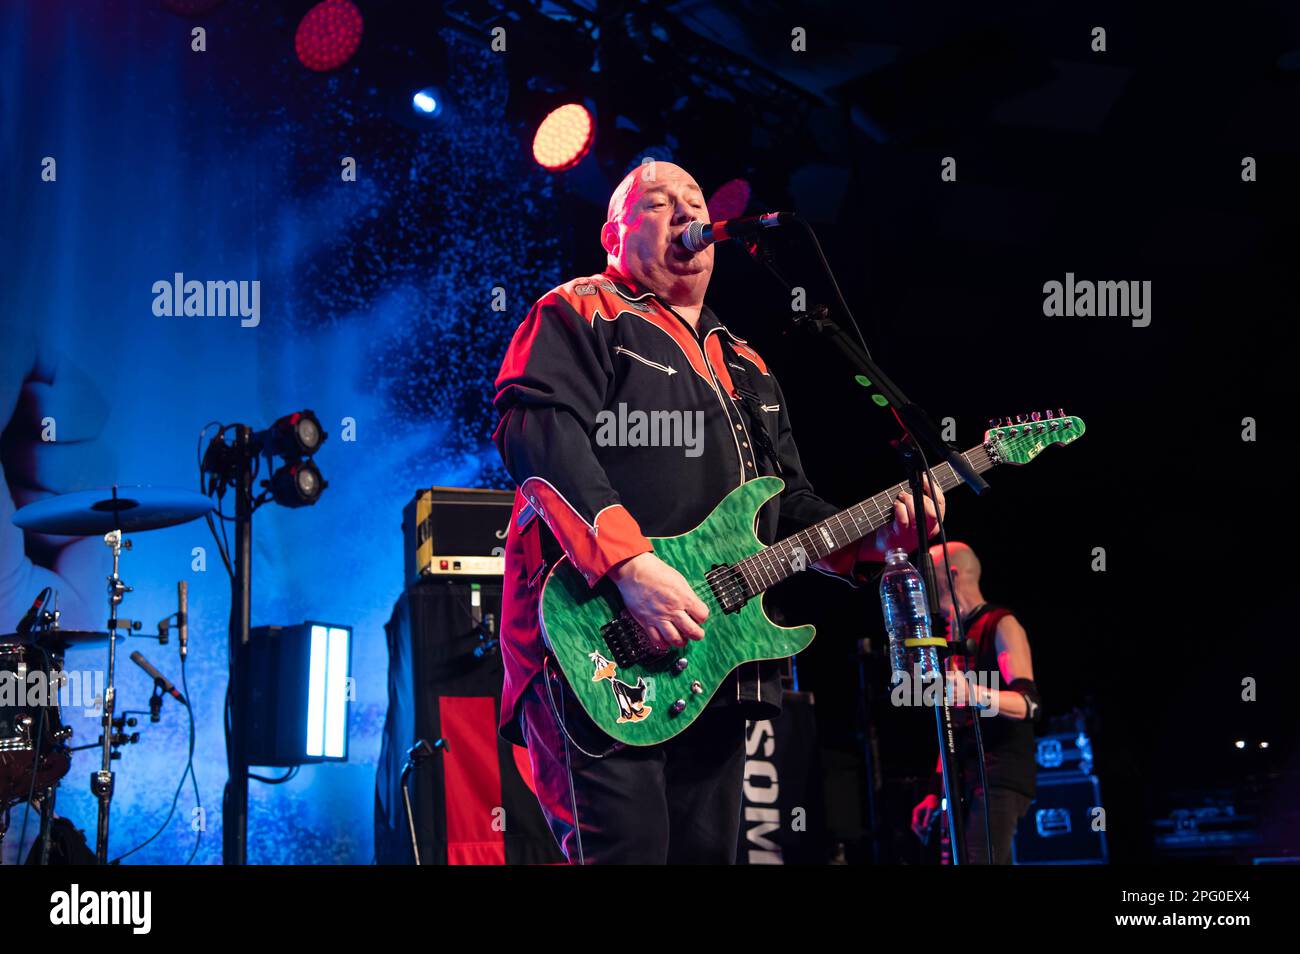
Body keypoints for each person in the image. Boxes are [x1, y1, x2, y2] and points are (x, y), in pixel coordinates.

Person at [493, 159, 946, 864]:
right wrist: (632, 565)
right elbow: (538, 435)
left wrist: (875, 536)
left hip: (717, 663)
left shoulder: (747, 363)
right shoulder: (579, 310)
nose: (684, 212)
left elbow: (785, 506)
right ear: (613, 234)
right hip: (597, 643)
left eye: (694, 201)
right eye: (658, 203)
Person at [910, 541, 1040, 864]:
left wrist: (974, 693)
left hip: (999, 775)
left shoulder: (1002, 623)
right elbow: (951, 724)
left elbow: (1028, 704)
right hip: (964, 777)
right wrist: (933, 791)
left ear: (952, 576)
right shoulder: (953, 636)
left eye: (932, 575)